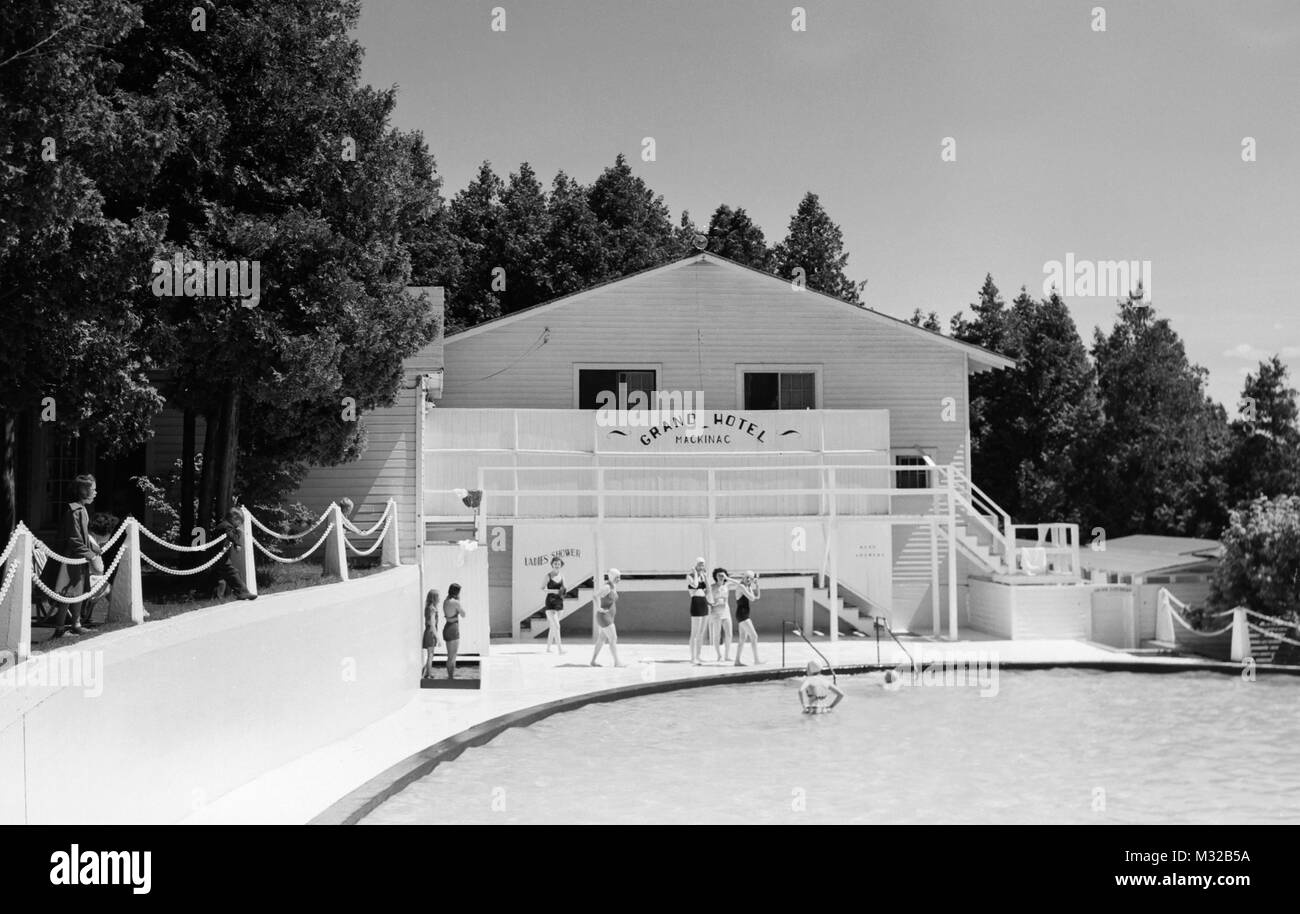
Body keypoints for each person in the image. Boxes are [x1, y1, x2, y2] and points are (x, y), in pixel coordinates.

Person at [48, 474, 101, 638]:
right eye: (92, 489)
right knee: (68, 593)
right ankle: (60, 628)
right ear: (83, 490)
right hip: (70, 559)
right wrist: (91, 556)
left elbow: (83, 537)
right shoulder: (74, 511)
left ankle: (76, 624)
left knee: (78, 591)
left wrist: (93, 548)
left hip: (79, 558)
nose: (95, 492)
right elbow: (74, 539)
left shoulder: (82, 509)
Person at [213, 507, 257, 601]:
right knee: (232, 573)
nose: (239, 525)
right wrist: (237, 543)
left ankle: (218, 597)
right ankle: (243, 593)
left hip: (218, 555)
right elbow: (230, 535)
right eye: (239, 522)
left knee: (221, 577)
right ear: (234, 518)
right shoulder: (227, 526)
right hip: (219, 556)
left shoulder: (224, 525)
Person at [590, 568, 624, 667]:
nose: (619, 579)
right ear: (613, 577)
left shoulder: (613, 586)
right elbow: (595, 595)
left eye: (620, 577)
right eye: (617, 577)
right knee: (613, 638)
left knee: (601, 640)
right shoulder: (607, 587)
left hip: (608, 616)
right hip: (604, 617)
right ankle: (617, 662)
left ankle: (593, 661)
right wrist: (598, 608)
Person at [733, 571, 762, 666]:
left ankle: (737, 661)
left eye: (750, 578)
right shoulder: (742, 587)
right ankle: (756, 660)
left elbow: (757, 596)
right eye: (747, 577)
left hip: (744, 614)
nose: (748, 579)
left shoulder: (748, 587)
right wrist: (751, 586)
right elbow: (752, 598)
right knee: (754, 636)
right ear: (743, 577)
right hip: (742, 615)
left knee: (742, 638)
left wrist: (756, 585)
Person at [686, 557, 710, 666]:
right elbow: (695, 585)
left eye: (703, 564)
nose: (701, 566)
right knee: (694, 633)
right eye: (699, 564)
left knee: (701, 633)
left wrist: (705, 577)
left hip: (703, 602)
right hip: (696, 603)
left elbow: (708, 590)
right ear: (695, 565)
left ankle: (698, 655)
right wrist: (695, 573)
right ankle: (692, 657)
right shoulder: (690, 576)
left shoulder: (702, 577)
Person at [708, 567, 734, 663]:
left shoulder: (726, 586)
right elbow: (707, 600)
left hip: (726, 611)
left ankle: (727, 655)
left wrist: (728, 578)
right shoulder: (712, 587)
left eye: (722, 575)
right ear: (715, 576)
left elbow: (738, 583)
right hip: (716, 612)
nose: (721, 577)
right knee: (717, 635)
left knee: (729, 634)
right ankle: (719, 655)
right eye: (719, 575)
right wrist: (713, 603)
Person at [542, 556, 567, 654]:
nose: (557, 565)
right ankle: (560, 649)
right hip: (550, 603)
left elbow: (565, 589)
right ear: (552, 564)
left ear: (561, 565)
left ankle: (548, 648)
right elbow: (542, 588)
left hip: (560, 603)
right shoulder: (548, 576)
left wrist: (562, 591)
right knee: (557, 626)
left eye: (559, 564)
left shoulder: (562, 576)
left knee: (553, 627)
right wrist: (555, 591)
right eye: (555, 564)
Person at [440, 583, 465, 679]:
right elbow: (463, 614)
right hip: (453, 628)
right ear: (457, 592)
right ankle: (451, 678)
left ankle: (449, 676)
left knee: (449, 656)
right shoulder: (455, 602)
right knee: (453, 656)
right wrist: (459, 602)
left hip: (447, 628)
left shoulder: (445, 601)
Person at [422, 588, 440, 679]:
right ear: (434, 598)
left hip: (428, 632)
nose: (439, 598)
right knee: (430, 655)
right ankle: (428, 674)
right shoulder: (432, 609)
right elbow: (432, 625)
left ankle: (427, 673)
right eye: (438, 597)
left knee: (430, 654)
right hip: (431, 633)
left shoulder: (428, 608)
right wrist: (438, 638)